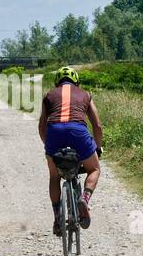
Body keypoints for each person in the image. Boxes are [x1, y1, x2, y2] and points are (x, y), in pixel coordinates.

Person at [38, 66, 103, 234]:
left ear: (57, 81)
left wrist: (49, 147)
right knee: (94, 169)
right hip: (78, 132)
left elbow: (41, 126)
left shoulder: (48, 95)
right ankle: (84, 198)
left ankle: (57, 218)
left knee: (54, 176)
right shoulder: (86, 94)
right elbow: (97, 125)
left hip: (54, 132)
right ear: (76, 81)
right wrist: (97, 147)